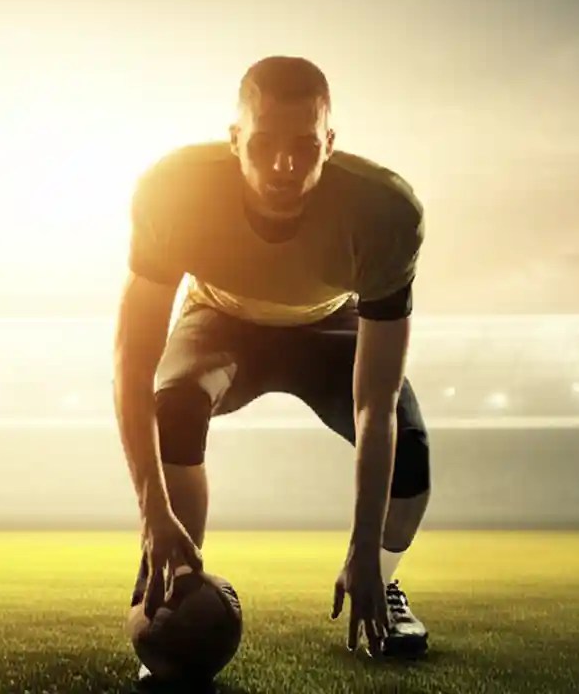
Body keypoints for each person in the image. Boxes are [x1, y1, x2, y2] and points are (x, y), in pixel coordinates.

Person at [113, 55, 431, 679]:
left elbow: (374, 401)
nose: (284, 165)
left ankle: (385, 587)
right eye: (263, 144)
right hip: (221, 321)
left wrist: (367, 546)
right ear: (235, 140)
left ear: (330, 144)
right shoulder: (173, 192)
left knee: (411, 453)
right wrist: (153, 512)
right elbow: (132, 365)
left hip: (330, 327)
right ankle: (174, 584)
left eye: (304, 146)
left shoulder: (386, 213)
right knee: (173, 405)